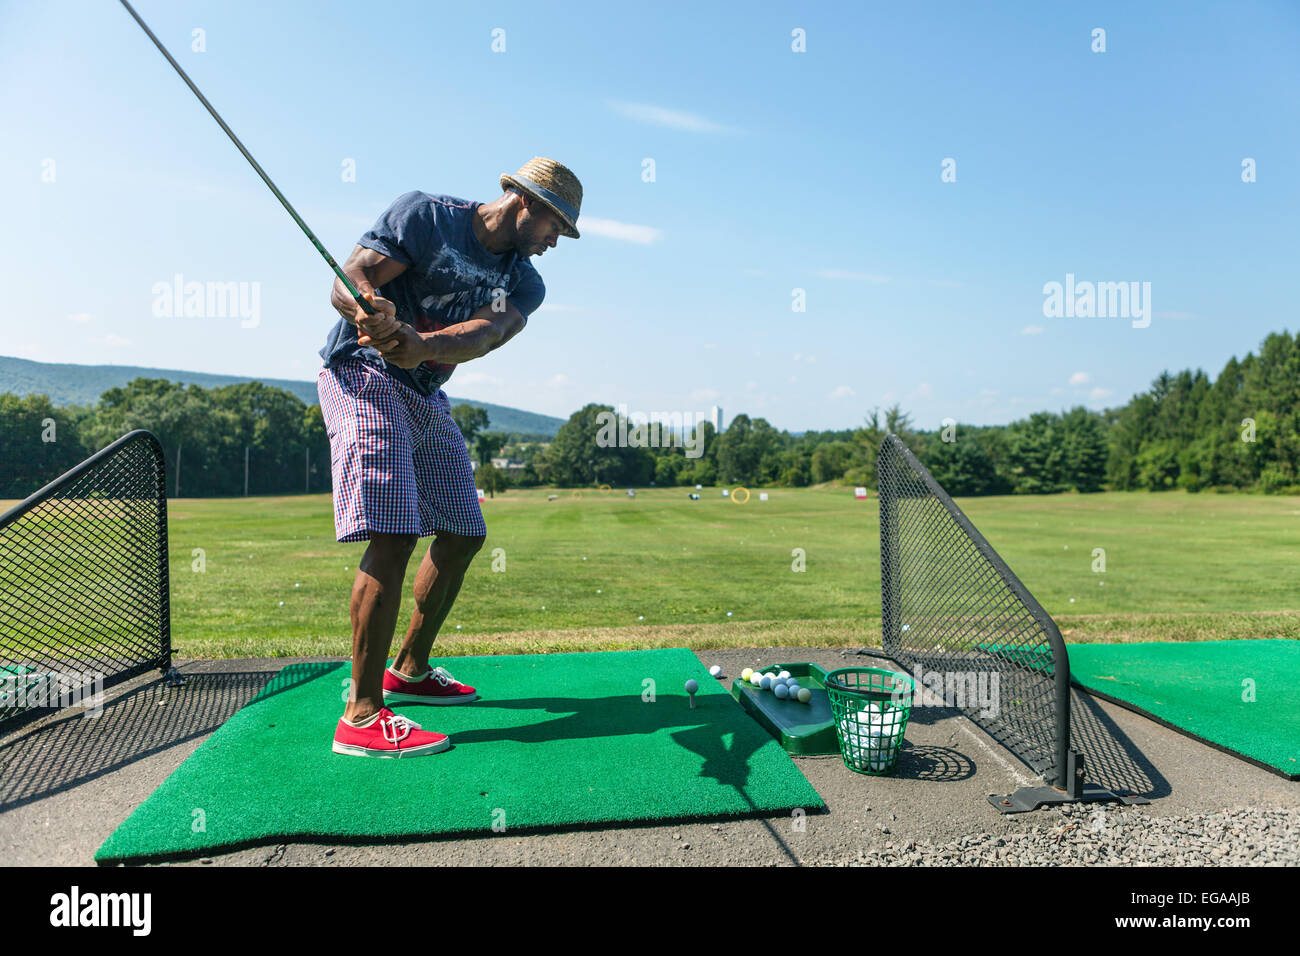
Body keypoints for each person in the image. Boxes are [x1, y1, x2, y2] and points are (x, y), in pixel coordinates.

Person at [318, 157, 583, 757]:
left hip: (422, 387)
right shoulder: (426, 216)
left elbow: (487, 333)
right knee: (393, 526)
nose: (552, 244)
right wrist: (365, 304)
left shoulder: (525, 281)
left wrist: (420, 345)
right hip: (361, 372)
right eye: (554, 229)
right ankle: (360, 715)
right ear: (527, 202)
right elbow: (352, 272)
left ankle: (409, 669)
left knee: (463, 531)